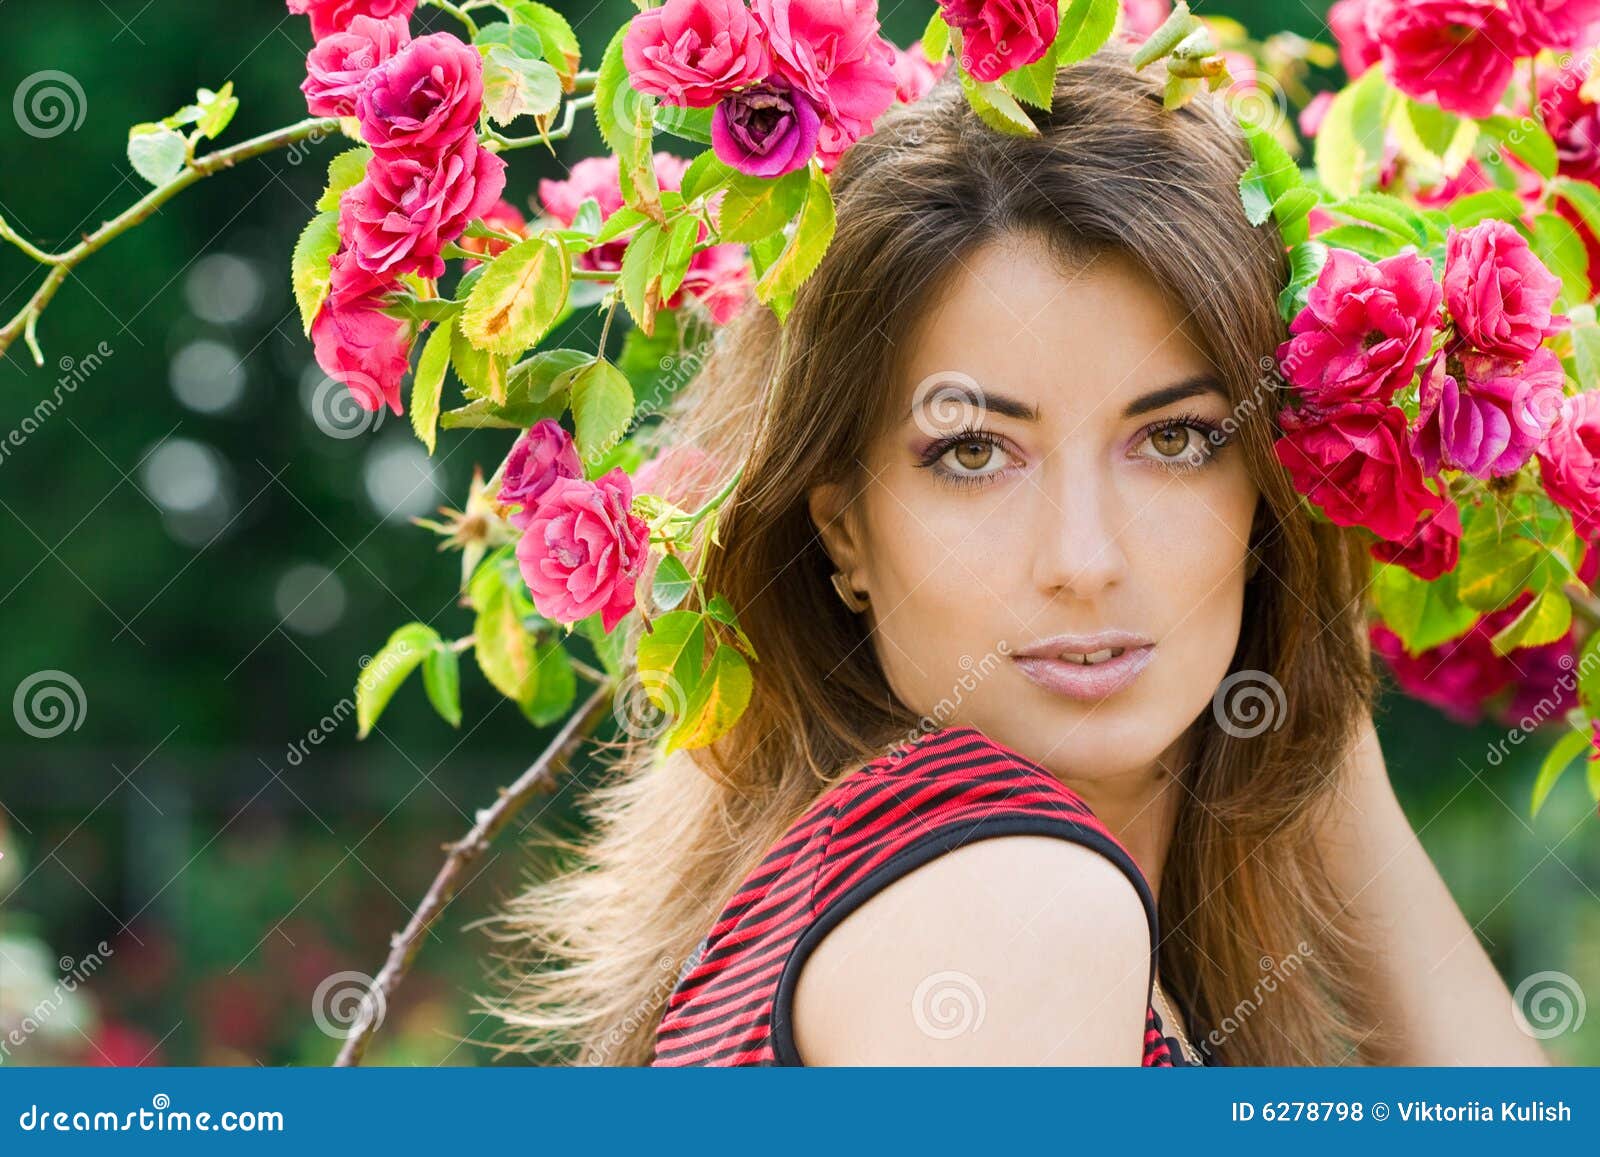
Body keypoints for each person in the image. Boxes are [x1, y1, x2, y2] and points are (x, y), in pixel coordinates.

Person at [483, 47, 1552, 1067]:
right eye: (974, 452)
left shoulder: (850, 889)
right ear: (842, 530)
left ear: (1267, 496)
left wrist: (1307, 688)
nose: (1083, 560)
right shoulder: (1018, 903)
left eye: (1174, 439)